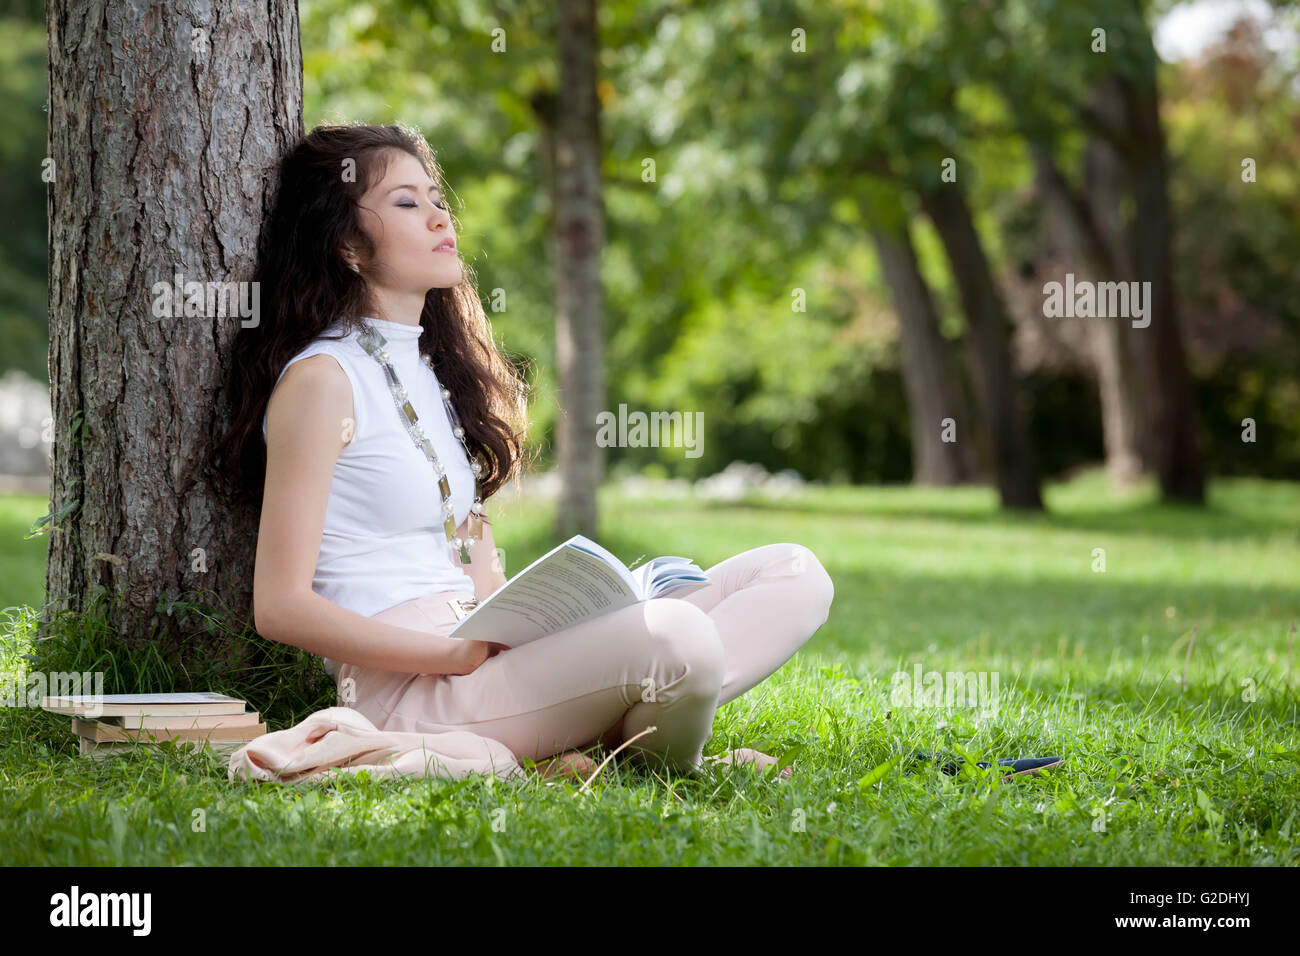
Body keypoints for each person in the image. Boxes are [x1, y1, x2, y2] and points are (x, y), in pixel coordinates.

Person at [213, 122, 835, 784]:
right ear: (347, 244)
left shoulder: (431, 370)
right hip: (416, 690)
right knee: (679, 638)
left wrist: (545, 618)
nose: (437, 216)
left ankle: (604, 736)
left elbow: (472, 557)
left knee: (794, 575)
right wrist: (449, 654)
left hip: (485, 658)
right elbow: (279, 607)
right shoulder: (323, 382)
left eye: (435, 198)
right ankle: (663, 761)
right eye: (405, 202)